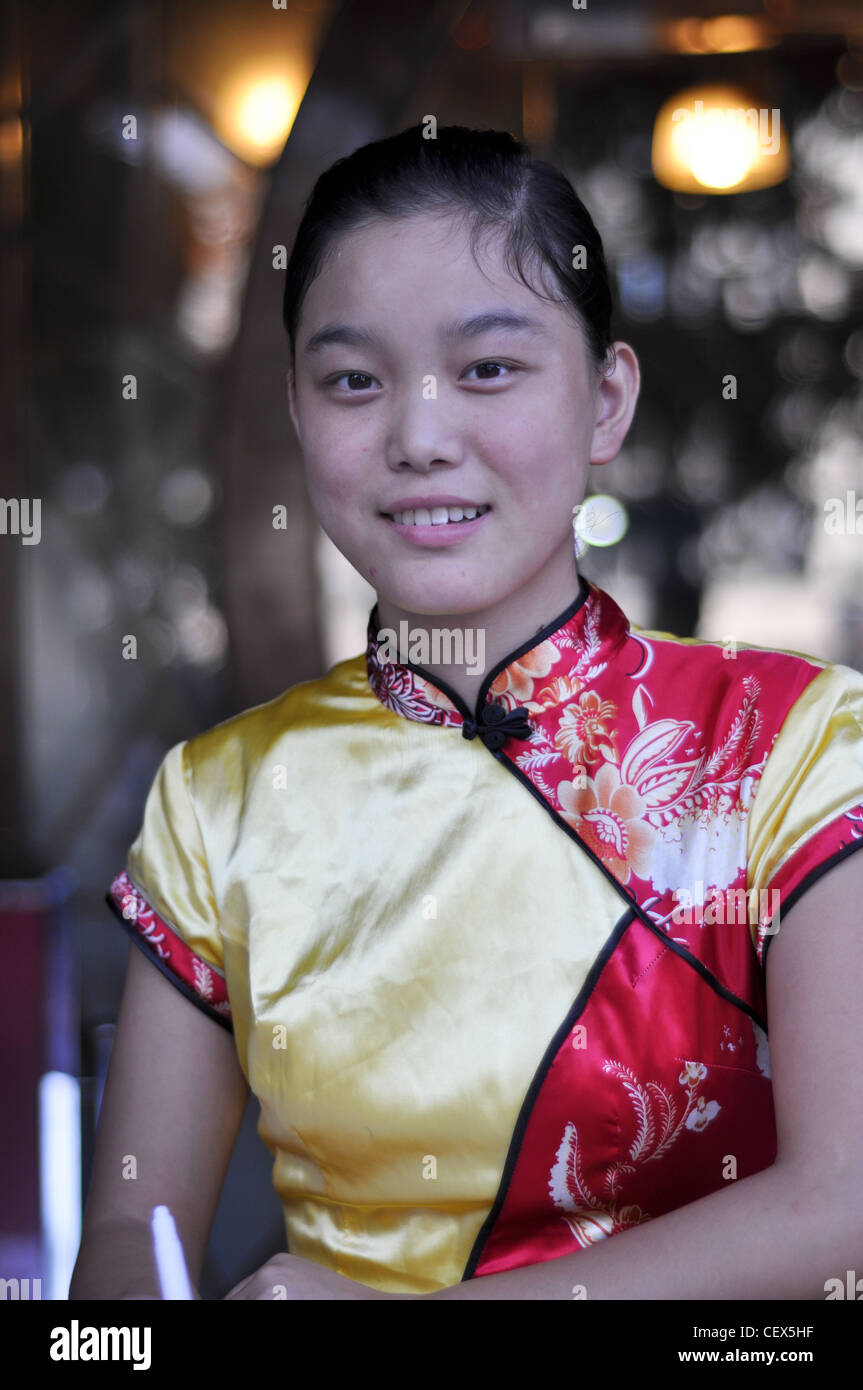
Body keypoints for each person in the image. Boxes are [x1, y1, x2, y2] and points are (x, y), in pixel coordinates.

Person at [70, 124, 863, 1302]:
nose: (419, 438)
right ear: (295, 414)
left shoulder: (789, 741)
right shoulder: (221, 795)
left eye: (487, 368)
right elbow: (134, 1234)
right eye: (353, 381)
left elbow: (842, 1209)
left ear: (604, 401)